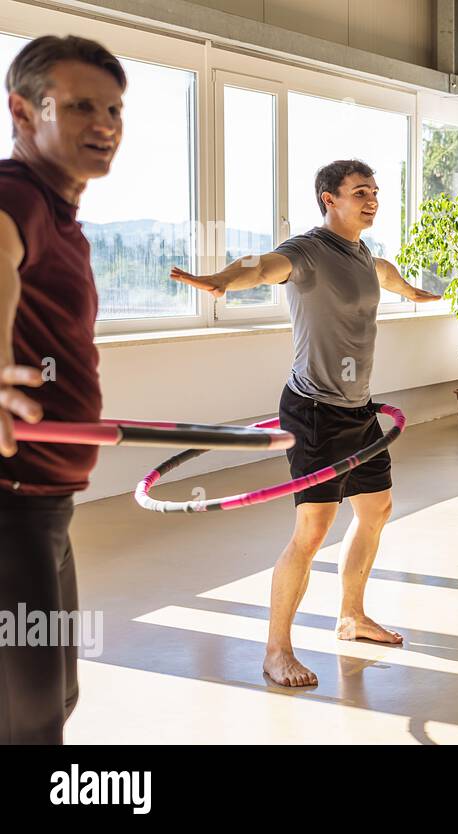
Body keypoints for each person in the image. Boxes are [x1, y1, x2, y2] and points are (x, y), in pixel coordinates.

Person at [170, 160, 439, 687]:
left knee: (377, 508)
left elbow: (385, 274)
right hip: (315, 409)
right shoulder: (308, 251)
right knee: (311, 532)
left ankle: (351, 616)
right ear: (327, 199)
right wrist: (224, 281)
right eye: (360, 192)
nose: (372, 199)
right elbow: (260, 266)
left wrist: (415, 293)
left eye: (375, 192)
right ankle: (276, 651)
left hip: (359, 409)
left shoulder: (364, 255)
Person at [0, 35, 127, 743]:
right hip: (9, 501)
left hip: (48, 504)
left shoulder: (63, 218)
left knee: (53, 697)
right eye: (80, 106)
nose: (104, 123)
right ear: (22, 110)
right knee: (32, 720)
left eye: (113, 108)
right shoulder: (15, 194)